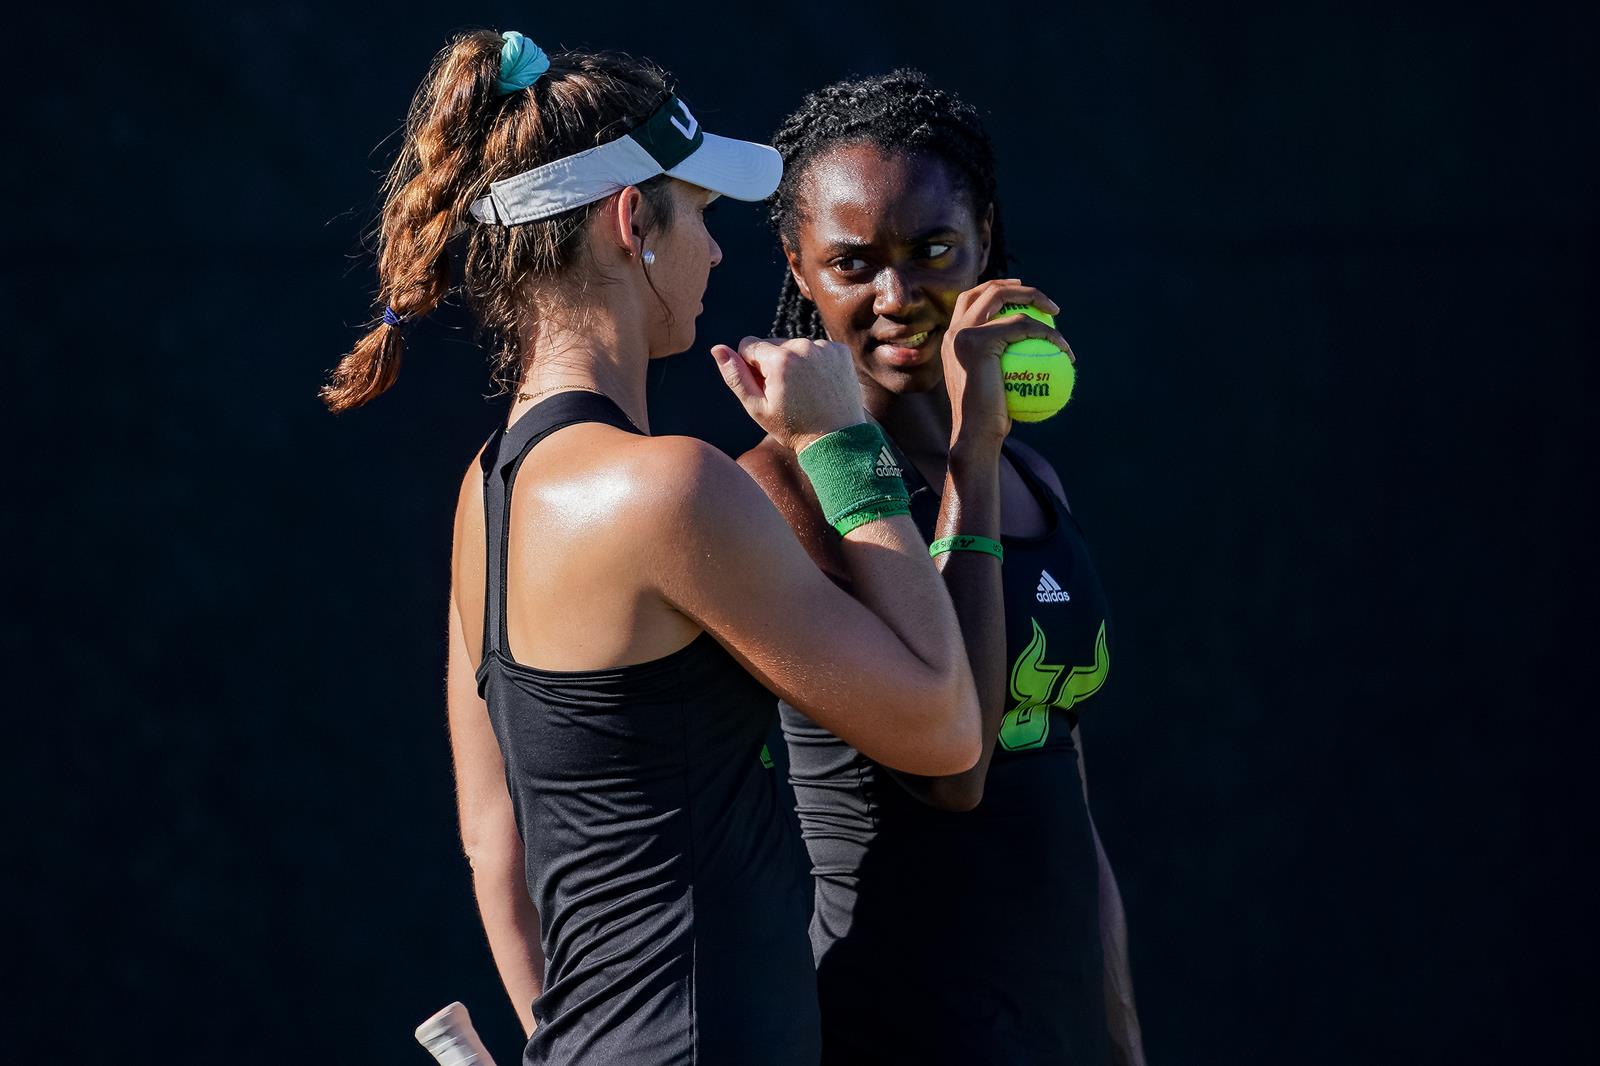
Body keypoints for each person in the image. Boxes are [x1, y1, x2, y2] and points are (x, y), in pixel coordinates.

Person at [322, 34, 988, 1066]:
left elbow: (494, 844)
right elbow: (943, 726)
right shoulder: (672, 488)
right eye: (702, 215)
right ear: (633, 221)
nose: (716, 253)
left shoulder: (486, 488)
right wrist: (839, 442)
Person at [739, 70, 1147, 1065]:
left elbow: (1062, 785)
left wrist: (1121, 1027)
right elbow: (954, 766)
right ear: (798, 267)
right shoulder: (783, 488)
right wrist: (971, 451)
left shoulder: (1031, 476)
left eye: (932, 252)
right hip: (893, 1028)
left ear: (985, 236)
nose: (898, 299)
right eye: (852, 263)